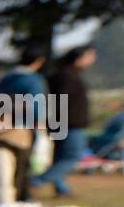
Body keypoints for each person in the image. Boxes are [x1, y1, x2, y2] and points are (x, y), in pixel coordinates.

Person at [30, 45, 95, 196]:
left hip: (62, 122)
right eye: (90, 56)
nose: (92, 59)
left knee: (60, 157)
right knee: (71, 157)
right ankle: (36, 182)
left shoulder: (64, 74)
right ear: (79, 58)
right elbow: (60, 101)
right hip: (69, 124)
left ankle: (61, 187)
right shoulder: (67, 76)